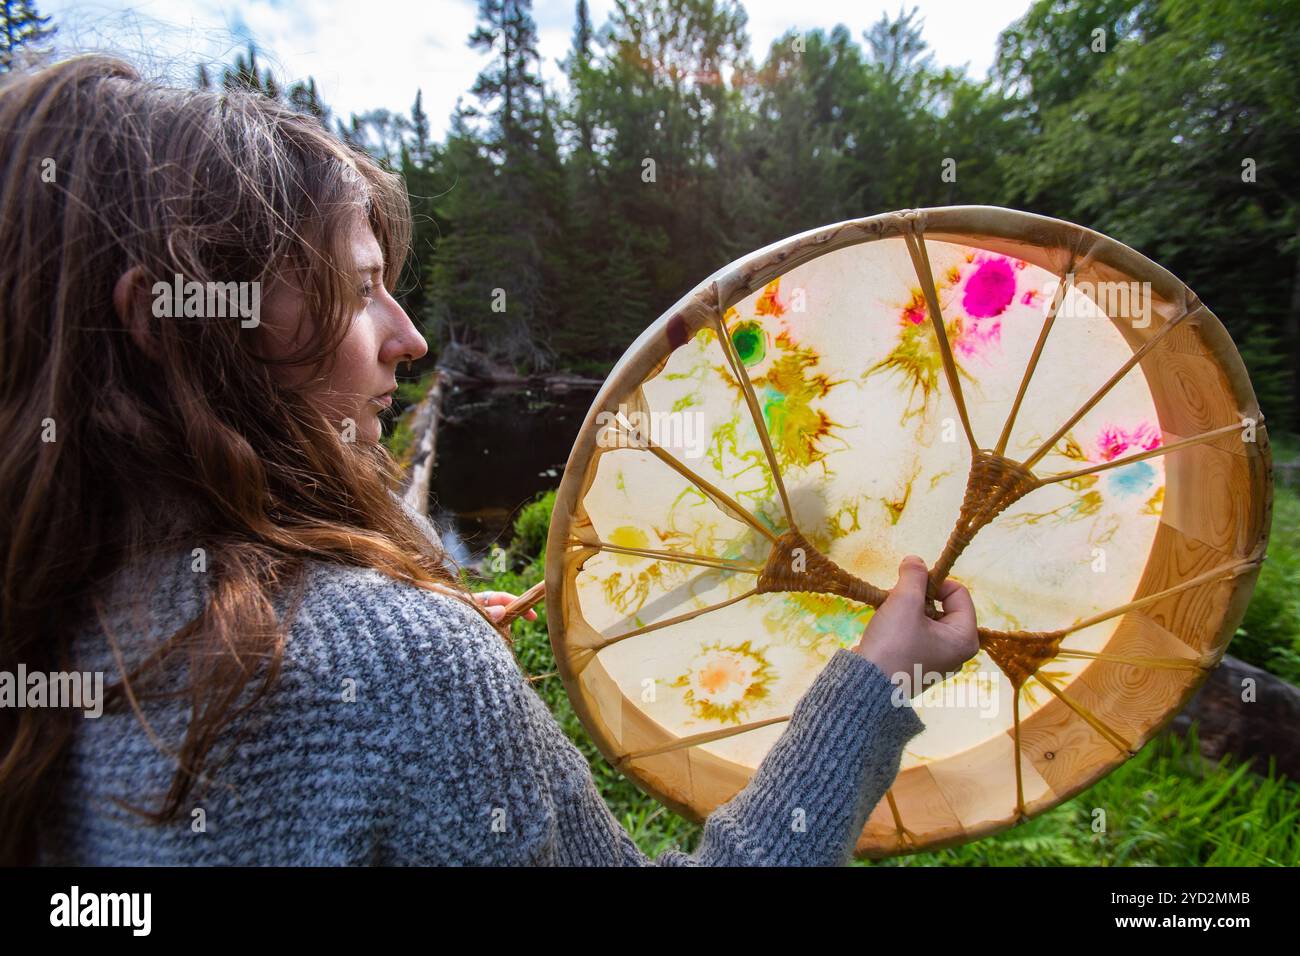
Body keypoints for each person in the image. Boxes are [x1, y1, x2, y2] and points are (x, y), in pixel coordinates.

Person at [0, 54, 979, 866]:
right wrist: (876, 680)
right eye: (363, 286)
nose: (410, 337)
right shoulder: (399, 667)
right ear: (174, 328)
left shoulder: (52, 630)